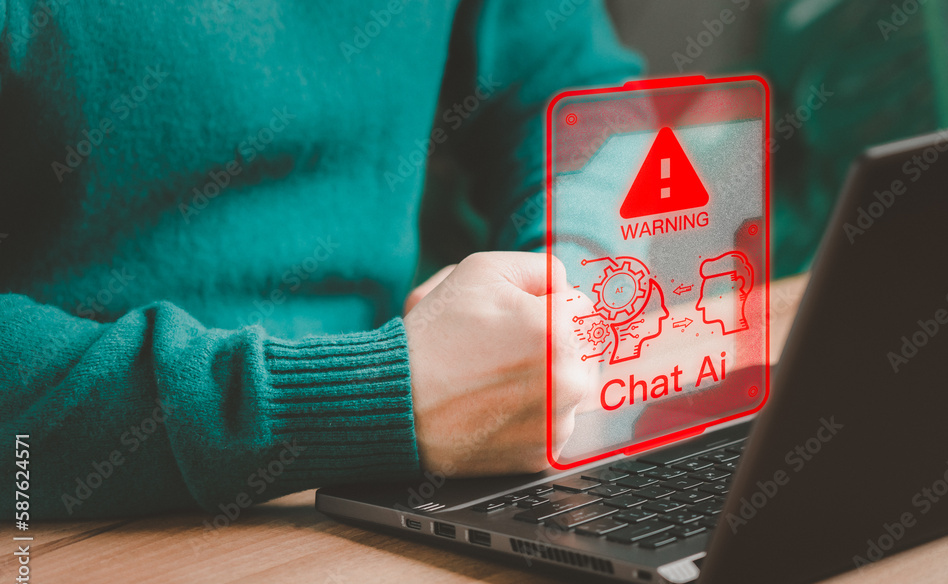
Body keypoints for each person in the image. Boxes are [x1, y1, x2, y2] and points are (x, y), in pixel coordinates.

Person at [0, 0, 639, 518]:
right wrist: (380, 394)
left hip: (393, 490)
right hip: (66, 536)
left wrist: (559, 301)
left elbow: (585, 93)